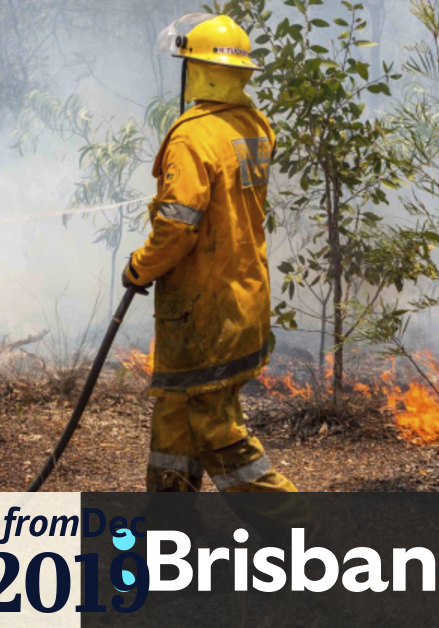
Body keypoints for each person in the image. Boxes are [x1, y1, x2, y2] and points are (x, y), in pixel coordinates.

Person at [122, 13, 296, 493]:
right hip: (242, 302)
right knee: (173, 427)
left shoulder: (191, 135)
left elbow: (177, 226)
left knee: (219, 435)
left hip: (204, 317)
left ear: (195, 69)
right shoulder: (252, 124)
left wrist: (140, 268)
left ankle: (304, 537)